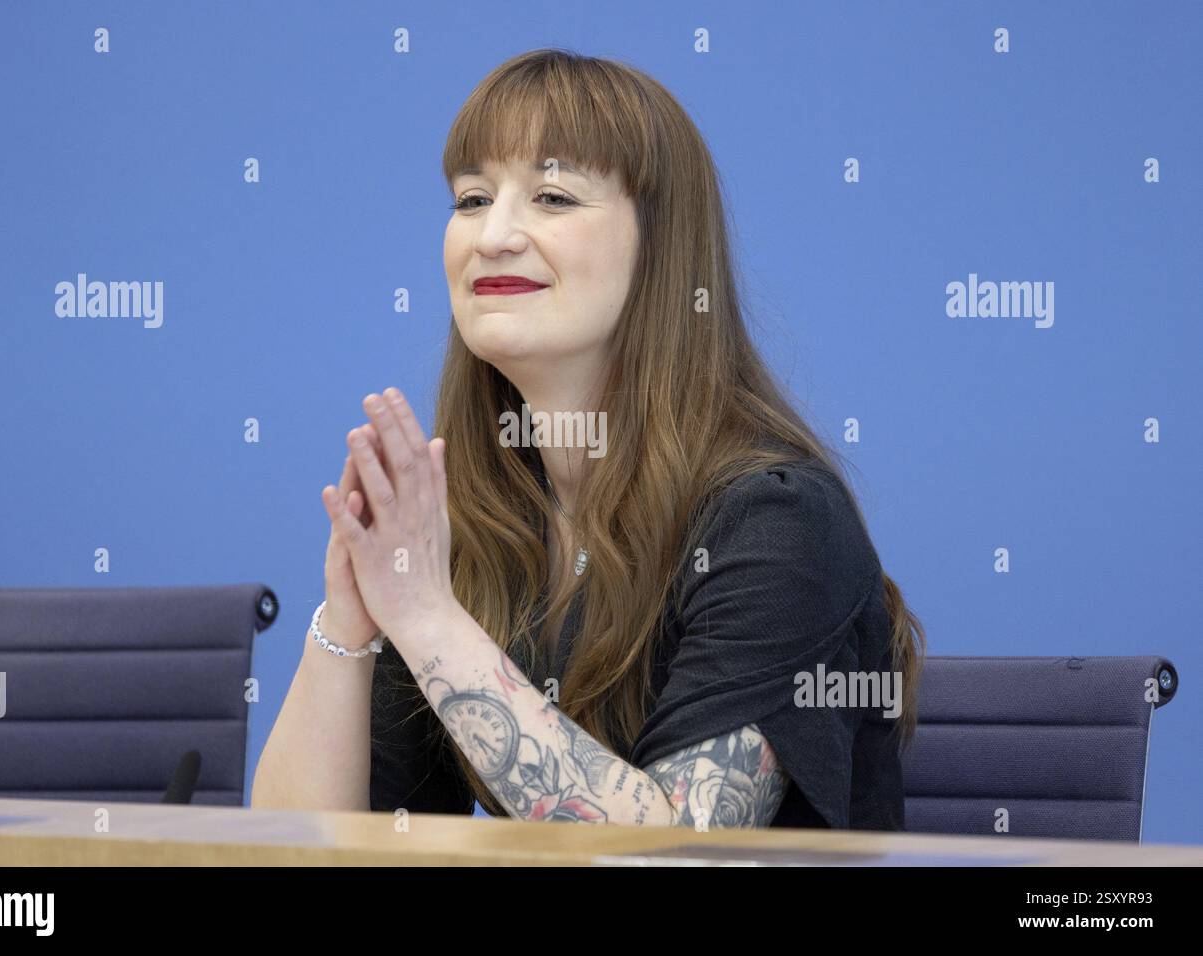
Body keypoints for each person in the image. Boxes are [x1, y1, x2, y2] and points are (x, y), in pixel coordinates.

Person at [252, 48, 925, 829]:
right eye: (471, 199)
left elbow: (681, 851)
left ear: (660, 247)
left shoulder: (778, 521)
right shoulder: (468, 528)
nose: (492, 235)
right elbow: (298, 847)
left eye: (552, 196)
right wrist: (350, 619)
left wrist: (427, 617)